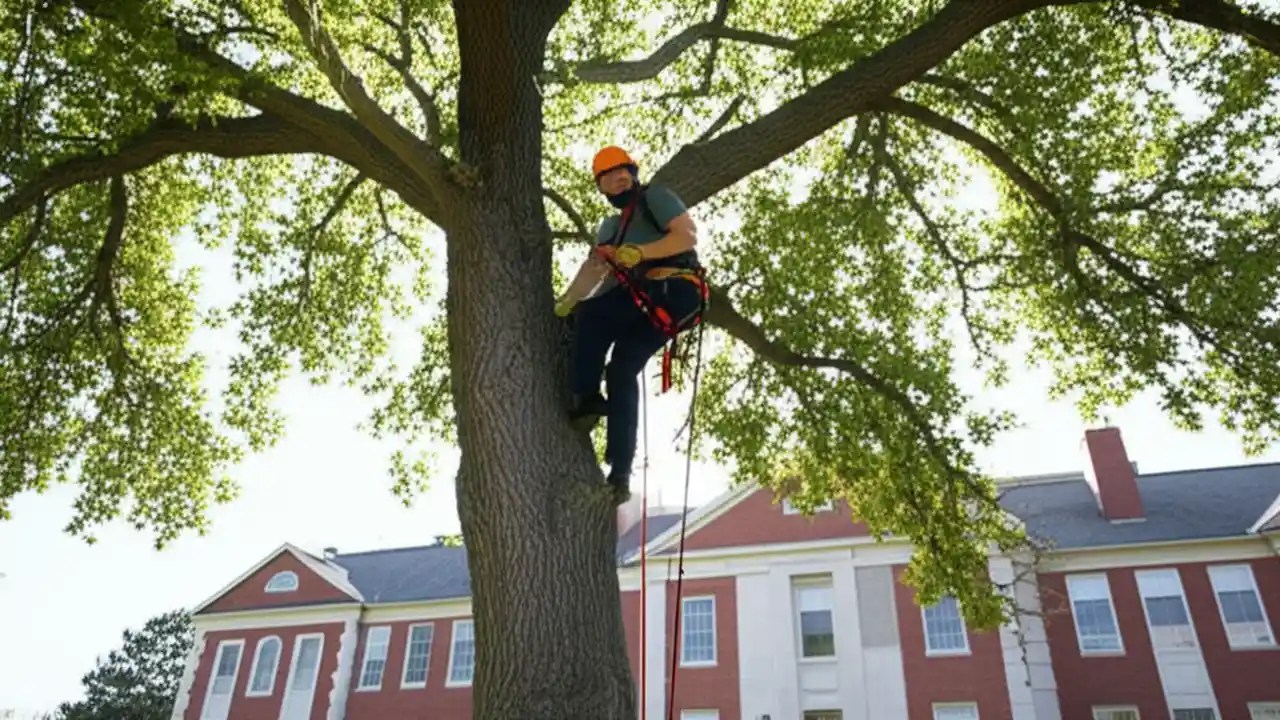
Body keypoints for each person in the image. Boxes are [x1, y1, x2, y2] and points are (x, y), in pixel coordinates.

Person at [554, 146, 707, 496]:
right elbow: (596, 269)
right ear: (602, 188)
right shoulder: (610, 227)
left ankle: (592, 403)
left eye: (623, 172)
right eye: (608, 176)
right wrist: (566, 302)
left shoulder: (656, 198)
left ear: (634, 174)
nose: (618, 178)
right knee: (618, 366)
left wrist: (641, 253)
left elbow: (686, 235)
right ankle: (620, 472)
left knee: (599, 322)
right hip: (643, 296)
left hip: (675, 289)